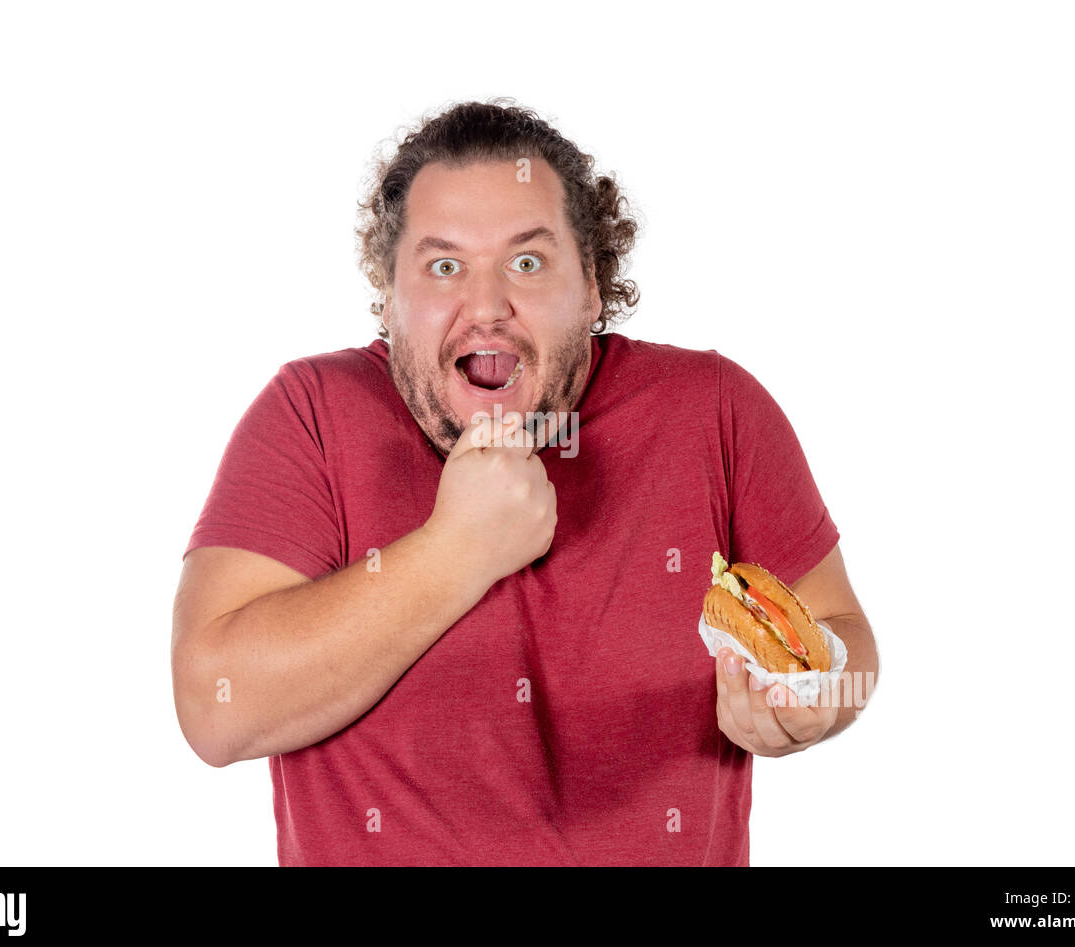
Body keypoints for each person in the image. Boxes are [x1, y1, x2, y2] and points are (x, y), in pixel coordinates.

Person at [171, 98, 879, 866]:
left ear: (594, 284)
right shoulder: (309, 414)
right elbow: (216, 709)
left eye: (528, 262)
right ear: (390, 295)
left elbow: (845, 641)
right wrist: (457, 552)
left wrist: (813, 705)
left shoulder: (716, 409)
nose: (485, 307)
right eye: (444, 266)